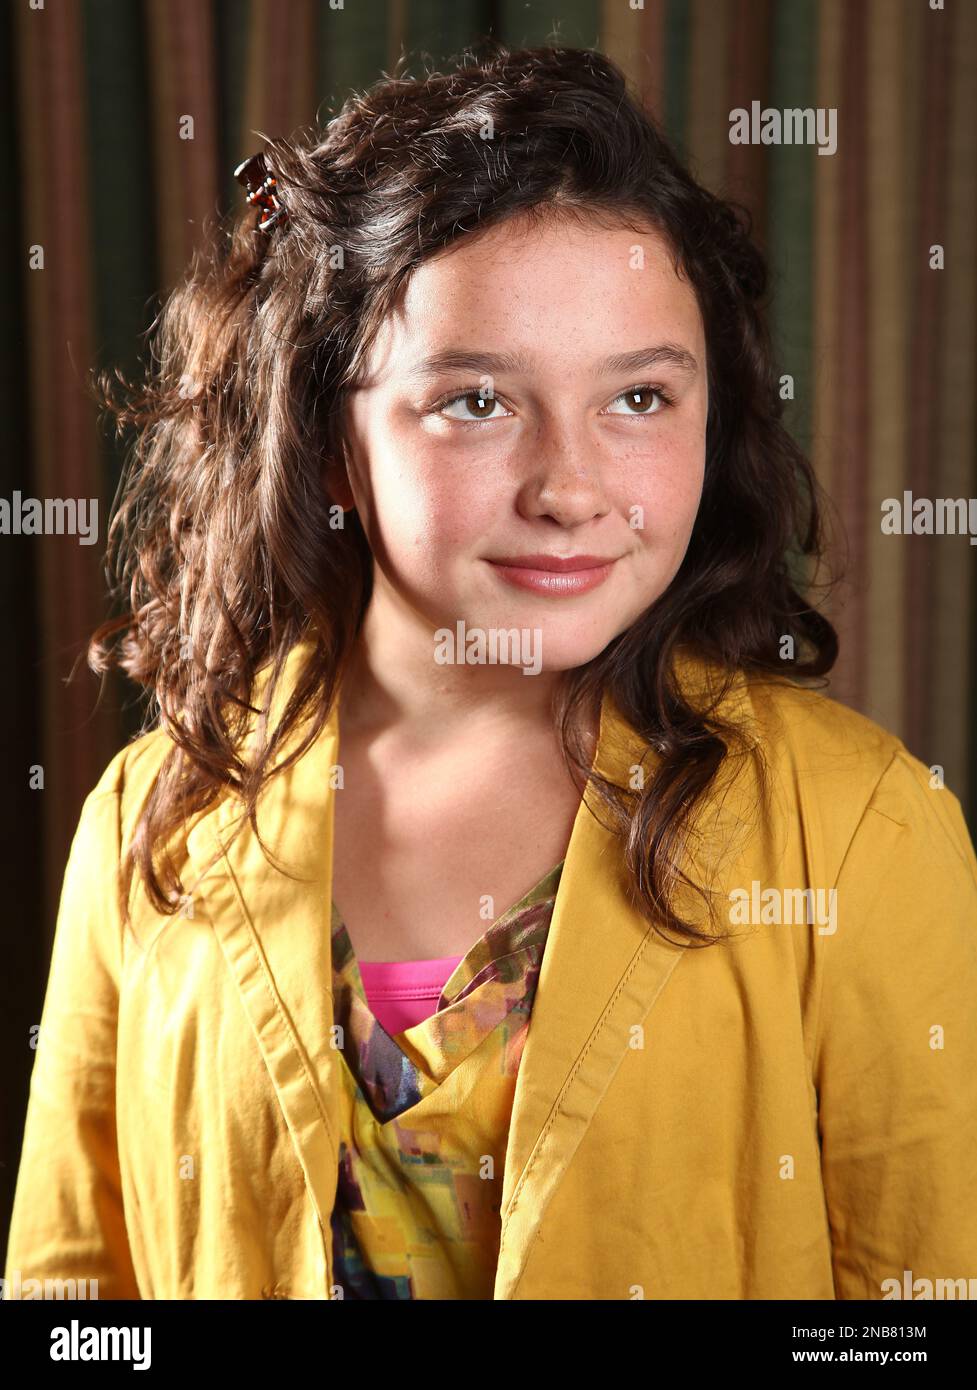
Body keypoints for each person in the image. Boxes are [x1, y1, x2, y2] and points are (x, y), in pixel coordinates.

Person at [5, 42, 977, 1302]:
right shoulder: (153, 818)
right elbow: (70, 1304)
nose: (569, 489)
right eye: (474, 402)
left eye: (637, 399)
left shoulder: (858, 832)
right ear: (327, 438)